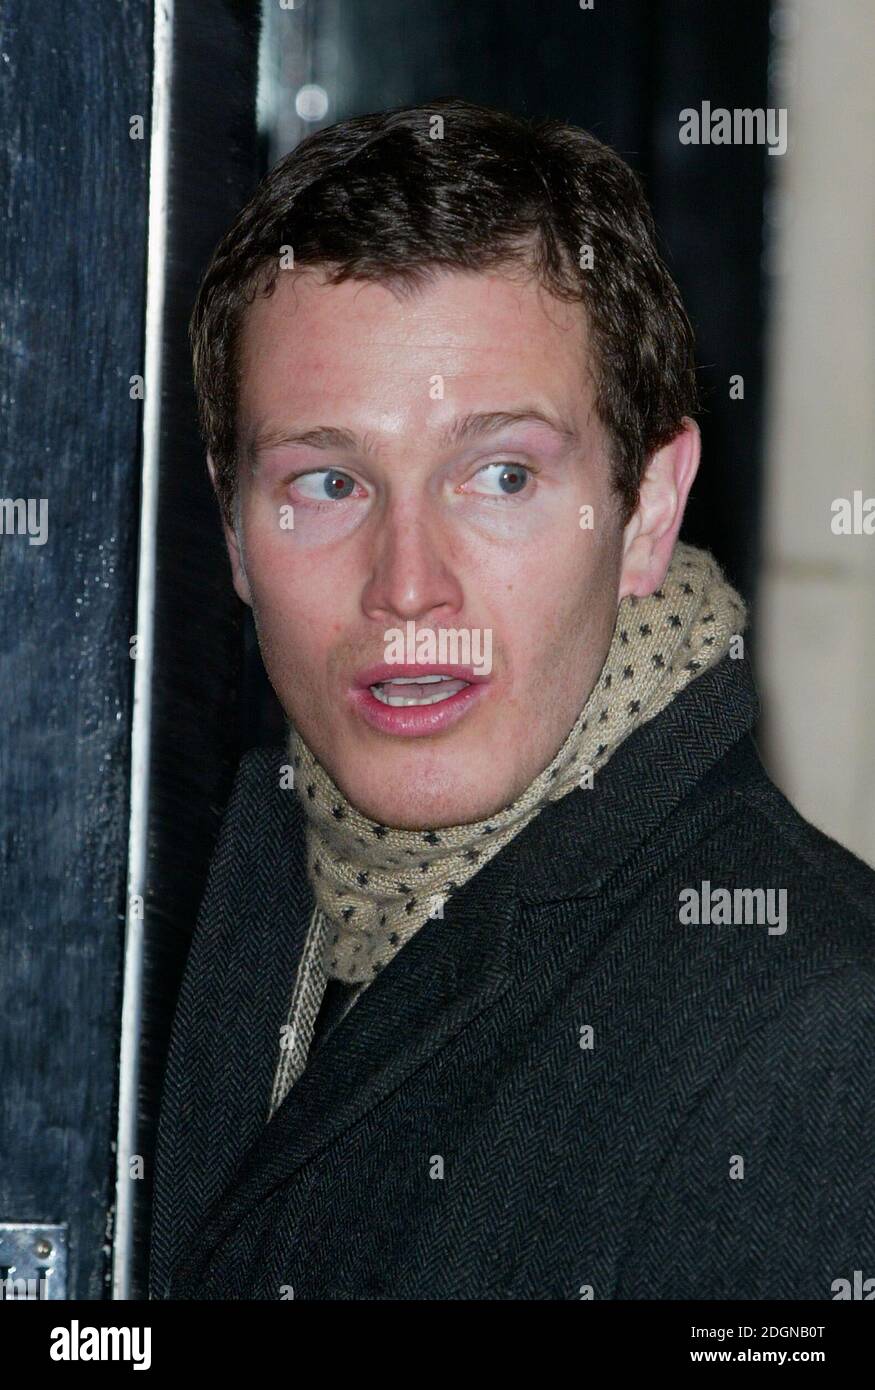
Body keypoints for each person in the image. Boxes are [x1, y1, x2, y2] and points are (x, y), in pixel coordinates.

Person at [149, 98, 875, 1300]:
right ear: (232, 525)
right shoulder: (222, 917)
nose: (408, 586)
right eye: (328, 481)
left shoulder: (817, 1038)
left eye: (498, 475)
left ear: (645, 509)